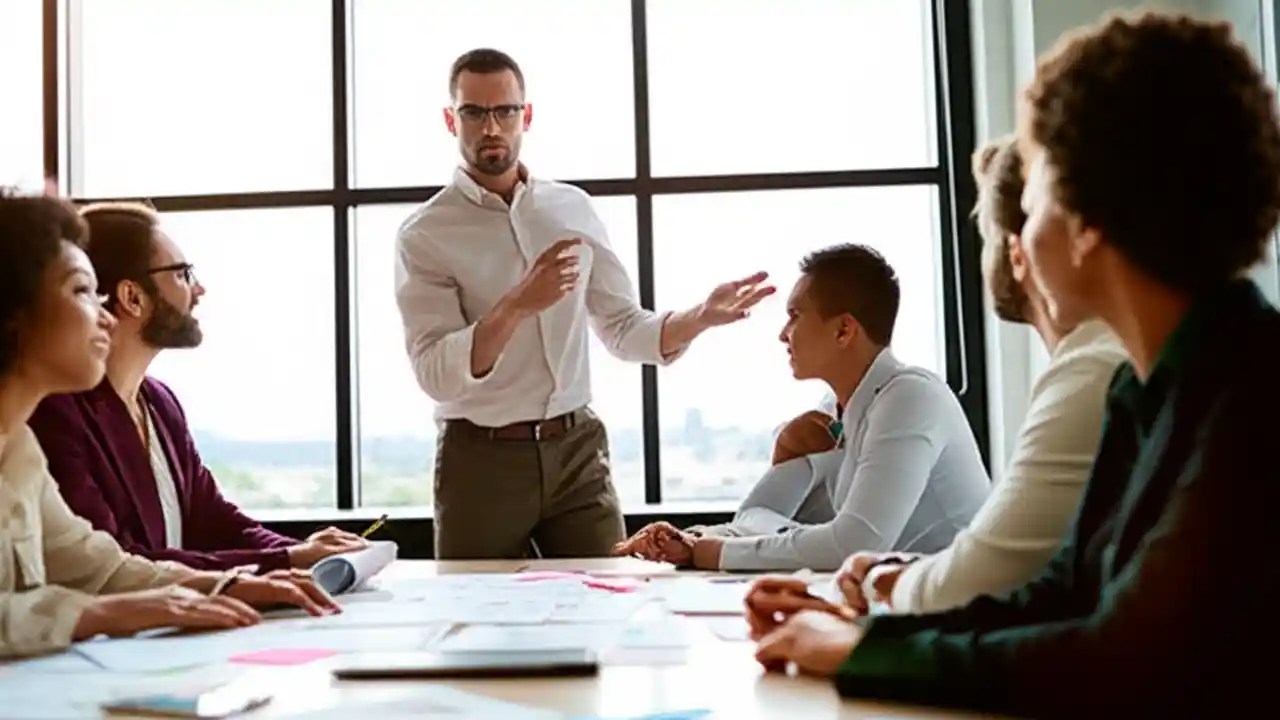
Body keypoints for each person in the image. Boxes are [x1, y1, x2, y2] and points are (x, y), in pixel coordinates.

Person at [744, 12, 1280, 717]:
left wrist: (859, 655)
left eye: (1037, 193)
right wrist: (866, 635)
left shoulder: (1252, 398)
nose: (1019, 227)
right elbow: (1063, 595)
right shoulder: (1144, 389)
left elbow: (1123, 657)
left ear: (1087, 221)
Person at [395, 48, 774, 560]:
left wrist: (700, 318)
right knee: (476, 609)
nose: (491, 127)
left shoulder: (571, 207)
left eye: (505, 111)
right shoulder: (425, 234)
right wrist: (516, 306)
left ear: (526, 115)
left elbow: (623, 328)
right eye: (474, 113)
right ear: (450, 119)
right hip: (481, 460)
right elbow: (435, 374)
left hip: (578, 452)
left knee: (606, 595)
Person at [0, 190, 337, 658]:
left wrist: (224, 585)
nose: (104, 317)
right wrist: (93, 614)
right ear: (12, 312)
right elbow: (99, 584)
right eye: (81, 291)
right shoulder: (47, 422)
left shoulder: (19, 449)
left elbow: (100, 567)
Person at [834, 137, 1126, 613]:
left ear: (1017, 252)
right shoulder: (1096, 362)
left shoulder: (1089, 371)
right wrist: (903, 571)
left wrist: (876, 585)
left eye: (987, 236)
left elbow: (980, 581)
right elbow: (1050, 569)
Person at [28, 203, 367, 572]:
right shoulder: (56, 412)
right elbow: (116, 563)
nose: (199, 289)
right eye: (182, 274)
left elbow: (213, 518)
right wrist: (285, 559)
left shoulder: (160, 402)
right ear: (132, 297)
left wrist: (305, 553)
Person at [614, 244, 990, 571]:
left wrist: (712, 552)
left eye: (794, 316)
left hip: (959, 613)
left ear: (844, 330)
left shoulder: (910, 399)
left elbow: (854, 544)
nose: (783, 334)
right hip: (897, 601)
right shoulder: (837, 410)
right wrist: (692, 540)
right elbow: (760, 516)